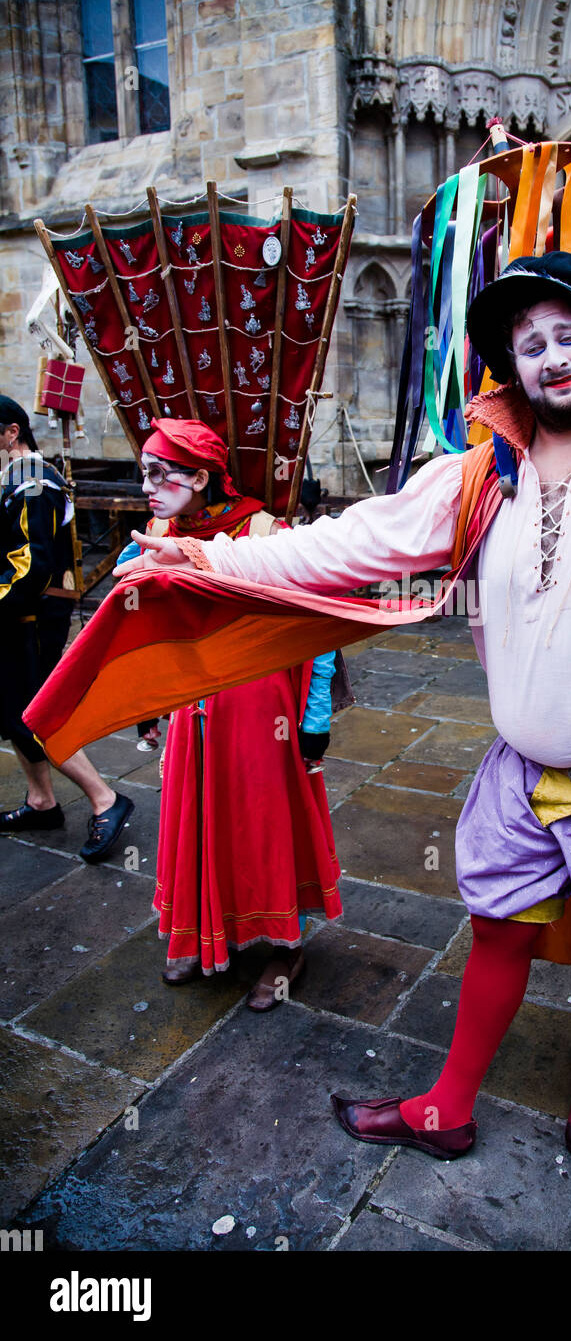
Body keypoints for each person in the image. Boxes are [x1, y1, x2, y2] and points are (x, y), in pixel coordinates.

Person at [107, 254, 571, 1161]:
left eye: (568, 336)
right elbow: (350, 543)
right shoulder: (478, 477)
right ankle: (445, 1108)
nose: (552, 357)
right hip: (525, 770)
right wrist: (209, 562)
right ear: (512, 365)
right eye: (529, 344)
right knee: (497, 928)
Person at [116, 418, 342, 1009]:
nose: (147, 485)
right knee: (195, 811)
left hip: (259, 702)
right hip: (190, 704)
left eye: (159, 472)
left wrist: (314, 717)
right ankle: (204, 929)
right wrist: (144, 694)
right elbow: (133, 619)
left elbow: (315, 625)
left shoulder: (267, 530)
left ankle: (287, 944)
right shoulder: (158, 532)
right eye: (143, 472)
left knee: (261, 817)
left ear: (200, 475)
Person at [0, 395, 133, 861]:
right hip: (15, 614)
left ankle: (105, 798)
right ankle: (42, 801)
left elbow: (30, 566)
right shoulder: (12, 477)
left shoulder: (32, 480)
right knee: (12, 709)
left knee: (35, 714)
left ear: (11, 432)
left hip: (33, 614)